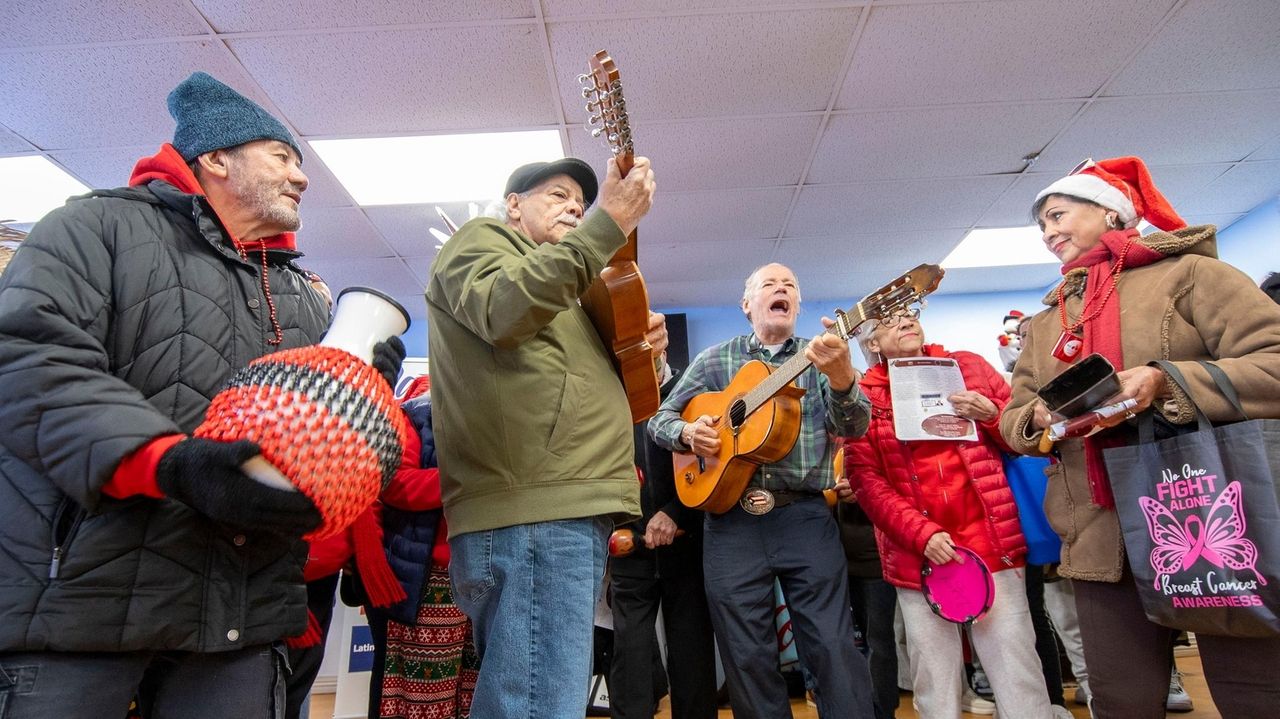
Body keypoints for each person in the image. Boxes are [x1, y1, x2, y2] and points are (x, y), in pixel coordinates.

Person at [0, 71, 401, 717]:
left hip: (239, 615)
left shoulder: (297, 292)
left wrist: (354, 385)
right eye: (282, 157)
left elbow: (296, 441)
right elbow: (29, 360)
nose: (301, 178)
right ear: (216, 157)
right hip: (82, 602)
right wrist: (168, 461)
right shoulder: (94, 227)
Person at [1000, 155, 1280, 718]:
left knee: (1254, 694)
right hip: (1100, 536)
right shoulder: (1050, 321)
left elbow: (1273, 364)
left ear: (1110, 213)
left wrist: (1164, 380)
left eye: (1058, 215)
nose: (1050, 232)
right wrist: (1048, 421)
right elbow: (1015, 418)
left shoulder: (1194, 276)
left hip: (1208, 516)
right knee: (1121, 701)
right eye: (1042, 225)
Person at [424, 155, 663, 716]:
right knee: (539, 705)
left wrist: (633, 348)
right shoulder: (480, 241)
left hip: (553, 508)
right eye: (556, 195)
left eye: (580, 204)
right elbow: (504, 309)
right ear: (513, 207)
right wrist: (608, 222)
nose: (575, 208)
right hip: (534, 513)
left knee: (536, 701)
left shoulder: (566, 296)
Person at [649, 262, 877, 718]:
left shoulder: (821, 357)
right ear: (746, 304)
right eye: (769, 284)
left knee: (832, 646)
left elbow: (854, 426)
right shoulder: (716, 359)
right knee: (746, 655)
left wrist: (842, 379)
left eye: (790, 284)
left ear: (796, 304)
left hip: (805, 518)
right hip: (731, 526)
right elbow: (660, 420)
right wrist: (690, 434)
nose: (781, 289)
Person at [842, 312, 1057, 719]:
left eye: (909, 313)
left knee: (1018, 672)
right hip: (918, 554)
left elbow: (1024, 437)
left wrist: (992, 414)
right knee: (935, 683)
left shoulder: (969, 366)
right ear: (871, 343)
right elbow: (865, 479)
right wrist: (921, 535)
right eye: (890, 320)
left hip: (992, 540)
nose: (905, 320)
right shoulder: (862, 397)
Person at [608, 364, 718, 719]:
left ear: (664, 346)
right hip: (629, 549)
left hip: (686, 546)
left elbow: (715, 465)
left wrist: (676, 513)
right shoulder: (611, 399)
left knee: (692, 656)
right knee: (630, 657)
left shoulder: (692, 394)